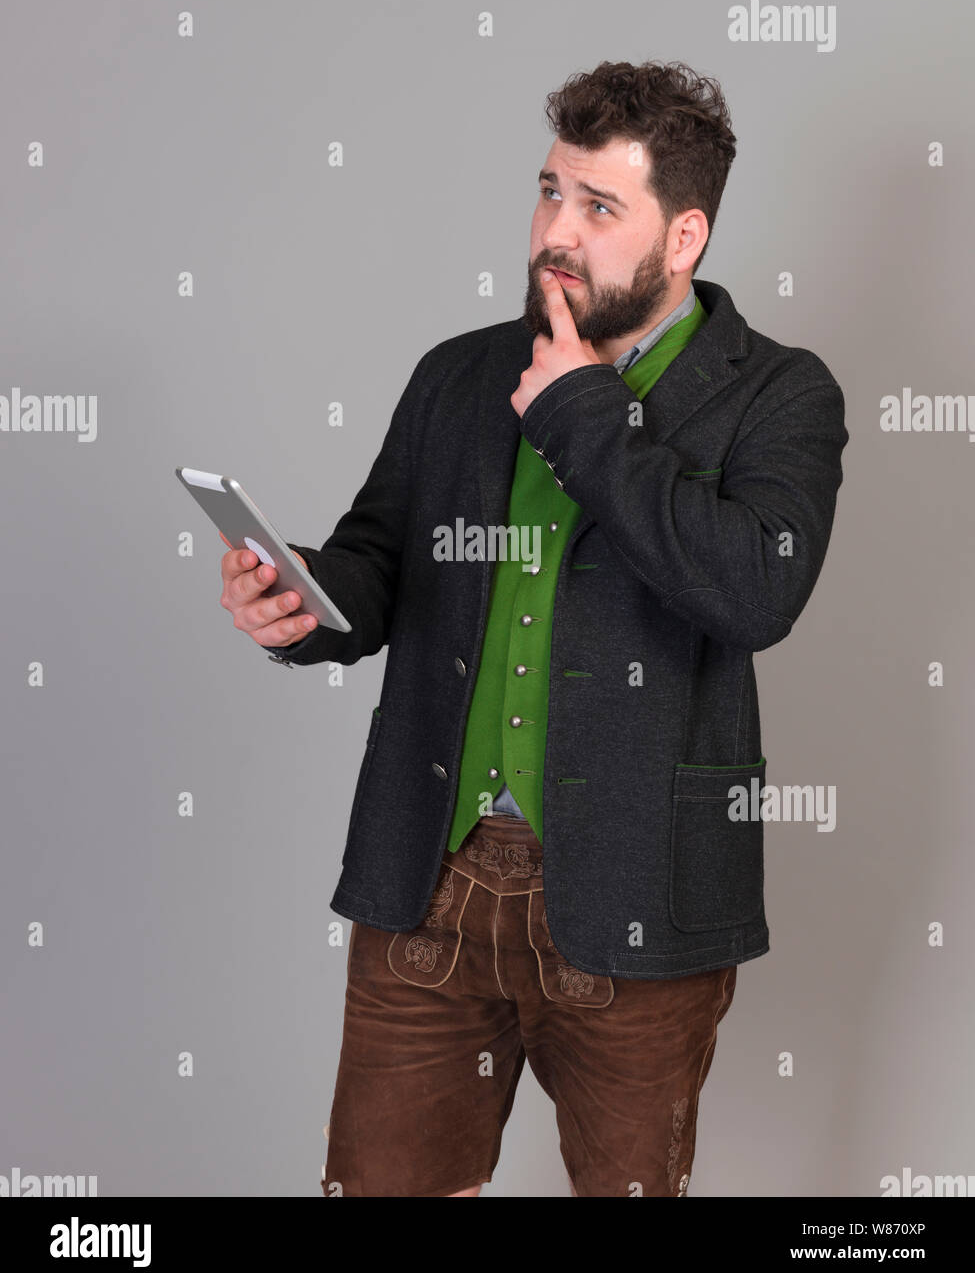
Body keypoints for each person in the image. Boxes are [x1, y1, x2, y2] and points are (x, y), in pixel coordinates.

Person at [219, 60, 848, 1197]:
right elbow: (378, 564)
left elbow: (757, 591)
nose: (557, 231)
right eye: (550, 190)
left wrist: (584, 415)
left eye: (600, 207)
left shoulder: (782, 395)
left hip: (636, 889)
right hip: (433, 877)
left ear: (684, 236)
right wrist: (301, 601)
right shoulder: (459, 376)